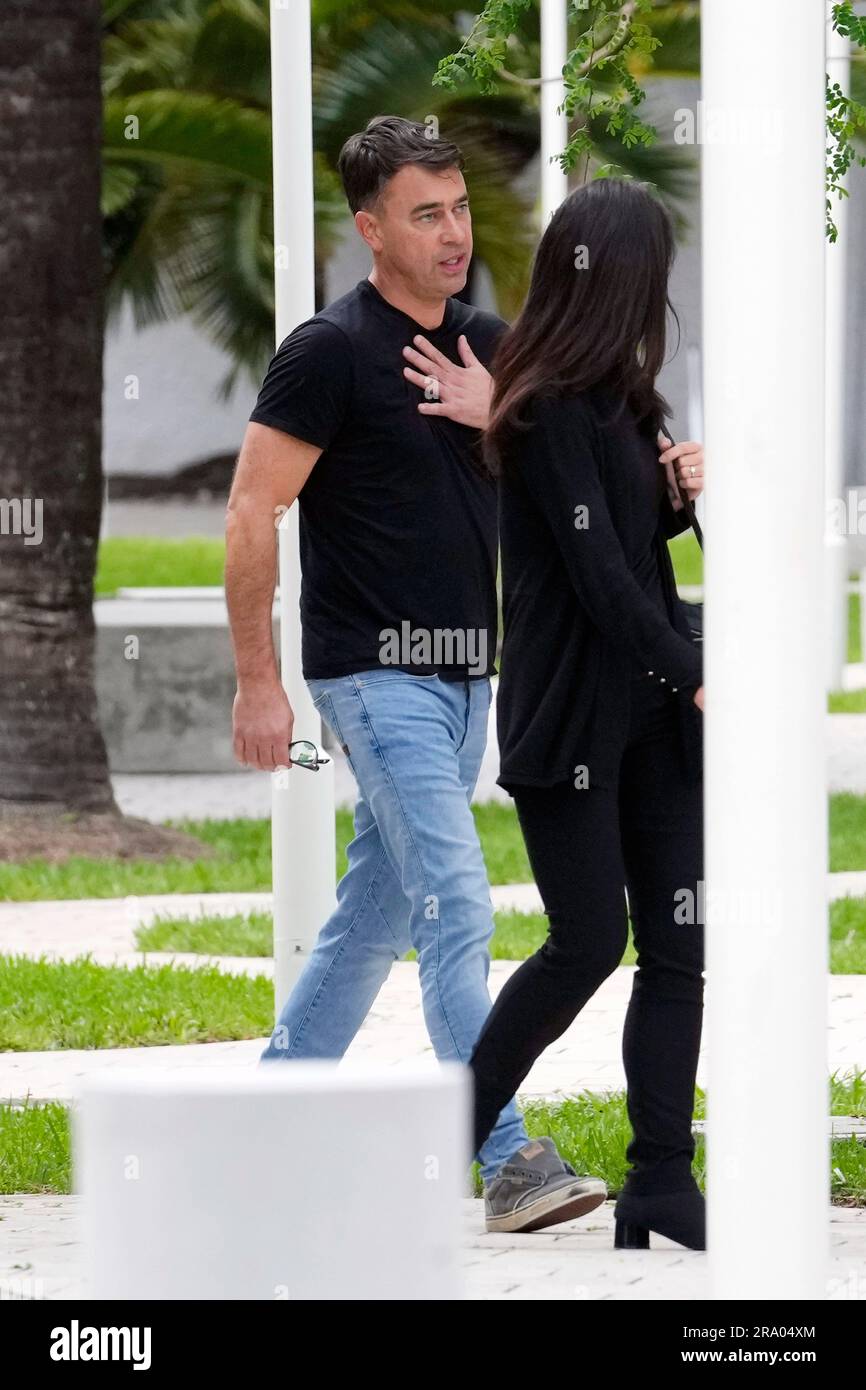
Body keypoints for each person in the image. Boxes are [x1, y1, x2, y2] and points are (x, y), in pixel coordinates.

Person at [224, 115, 606, 1232]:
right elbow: (253, 509)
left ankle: (266, 1128)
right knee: (456, 900)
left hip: (464, 681)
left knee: (369, 920)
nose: (451, 232)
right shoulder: (328, 352)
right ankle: (502, 1155)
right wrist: (259, 680)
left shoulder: (491, 340)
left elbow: (579, 474)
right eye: (424, 213)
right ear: (370, 229)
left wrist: (518, 418)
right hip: (371, 673)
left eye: (458, 208)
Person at [464, 177, 708, 1250]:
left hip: (651, 718)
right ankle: (443, 1140)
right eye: (651, 273)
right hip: (572, 719)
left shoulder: (621, 403)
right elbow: (597, 582)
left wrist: (677, 502)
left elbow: (631, 550)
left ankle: (659, 1179)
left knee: (676, 944)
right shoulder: (545, 411)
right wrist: (696, 668)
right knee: (584, 940)